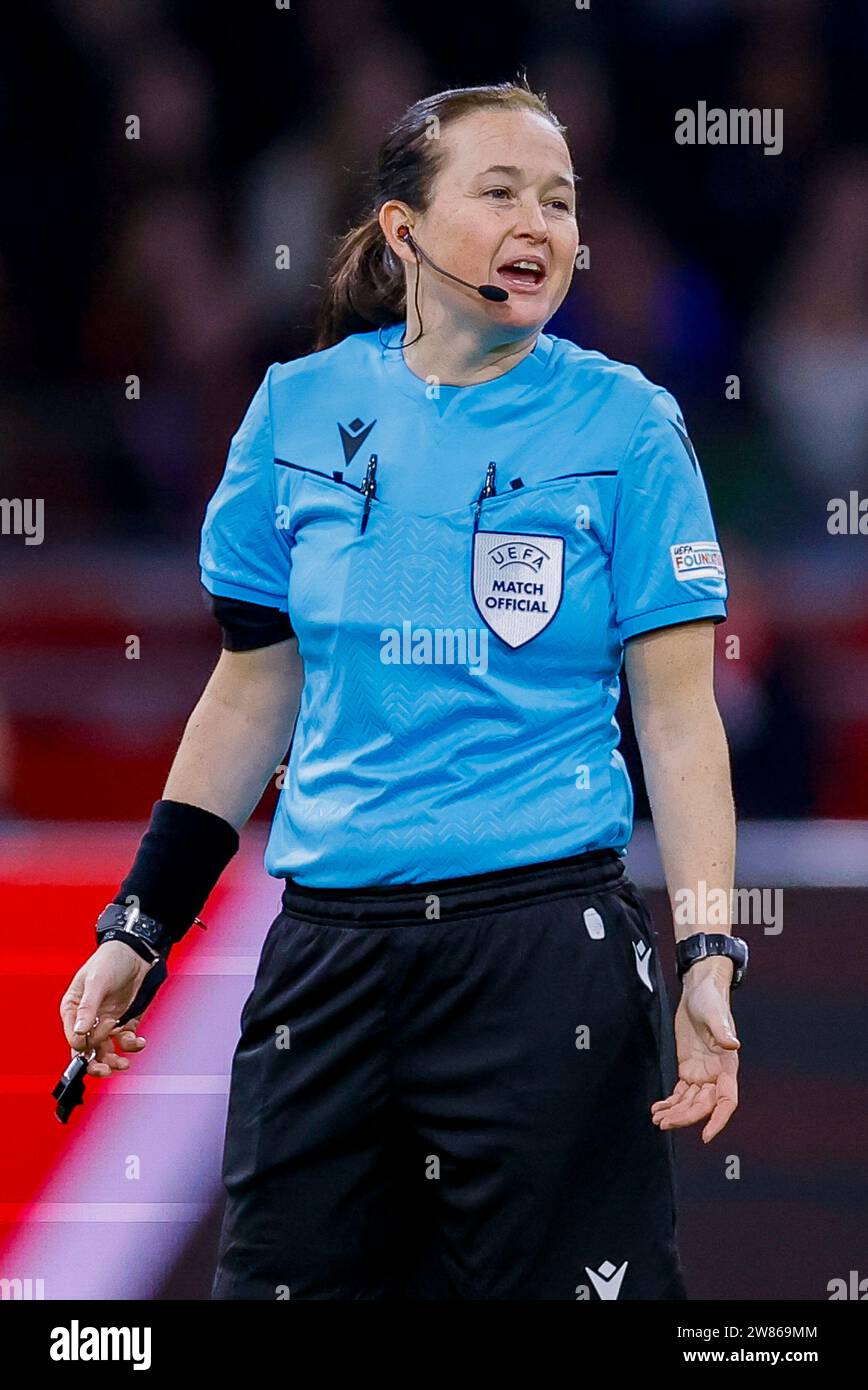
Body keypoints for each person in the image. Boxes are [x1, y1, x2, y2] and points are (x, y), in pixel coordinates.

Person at [59, 76, 744, 1301]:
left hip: (545, 955)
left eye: (561, 200)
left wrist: (705, 951)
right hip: (330, 960)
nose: (541, 223)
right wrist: (139, 924)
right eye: (500, 192)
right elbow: (249, 694)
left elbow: (679, 720)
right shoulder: (296, 410)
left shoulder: (628, 426)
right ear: (404, 230)